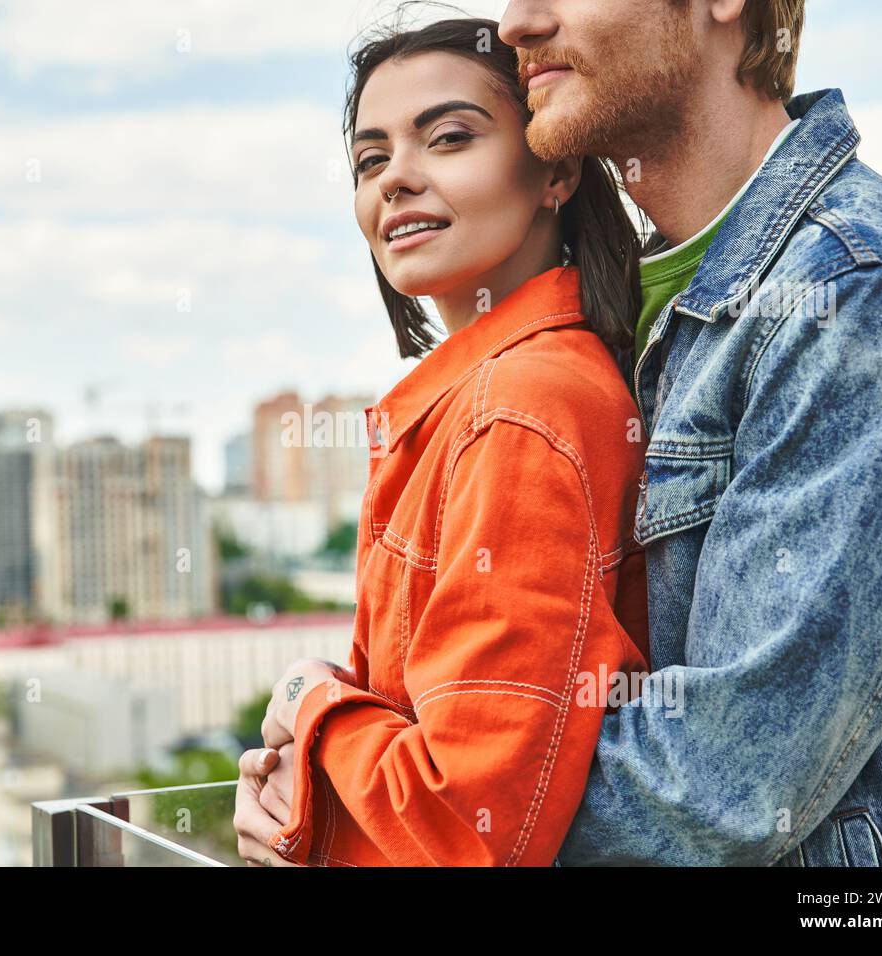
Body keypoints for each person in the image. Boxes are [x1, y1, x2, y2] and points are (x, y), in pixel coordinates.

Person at [488, 0, 882, 865]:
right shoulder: (617, 308)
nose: (514, 22)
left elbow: (729, 782)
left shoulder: (859, 292)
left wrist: (391, 794)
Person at [232, 17, 651, 866]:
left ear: (556, 170)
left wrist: (308, 700)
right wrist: (302, 788)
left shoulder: (521, 410)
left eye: (448, 138)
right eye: (370, 159)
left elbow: (467, 825)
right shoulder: (471, 404)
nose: (396, 181)